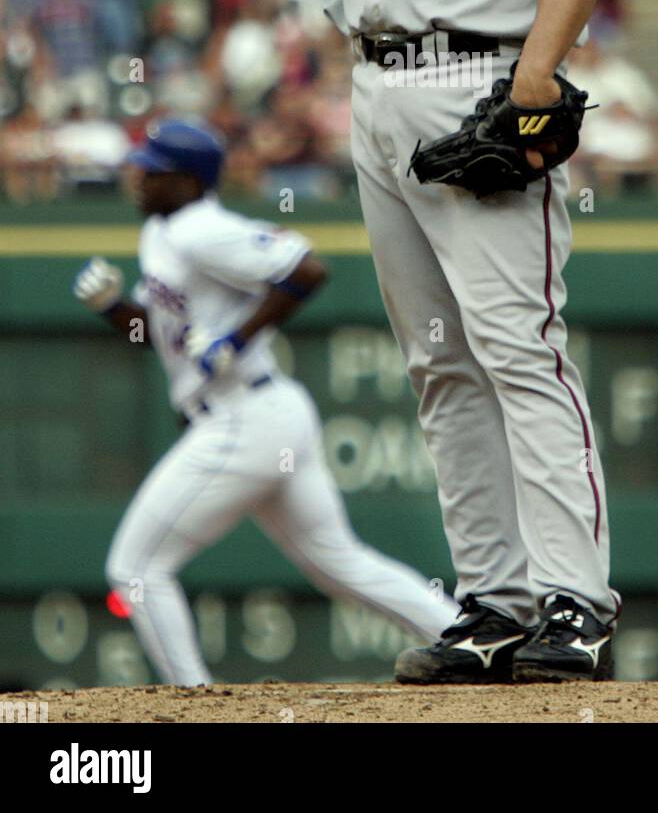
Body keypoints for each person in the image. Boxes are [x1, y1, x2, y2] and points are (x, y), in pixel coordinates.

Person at [255, 0, 658, 683]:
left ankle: (573, 601)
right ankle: (493, 598)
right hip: (377, 87)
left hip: (483, 72)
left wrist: (535, 74)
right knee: (440, 366)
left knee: (520, 349)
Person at [73, 117, 456, 686]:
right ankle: (462, 638)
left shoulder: (203, 229)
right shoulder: (161, 232)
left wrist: (234, 340)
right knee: (338, 562)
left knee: (135, 568)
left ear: (185, 181)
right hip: (263, 417)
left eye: (152, 172)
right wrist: (113, 310)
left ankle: (193, 699)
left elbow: (306, 267)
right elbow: (158, 332)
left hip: (243, 417)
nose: (138, 179)